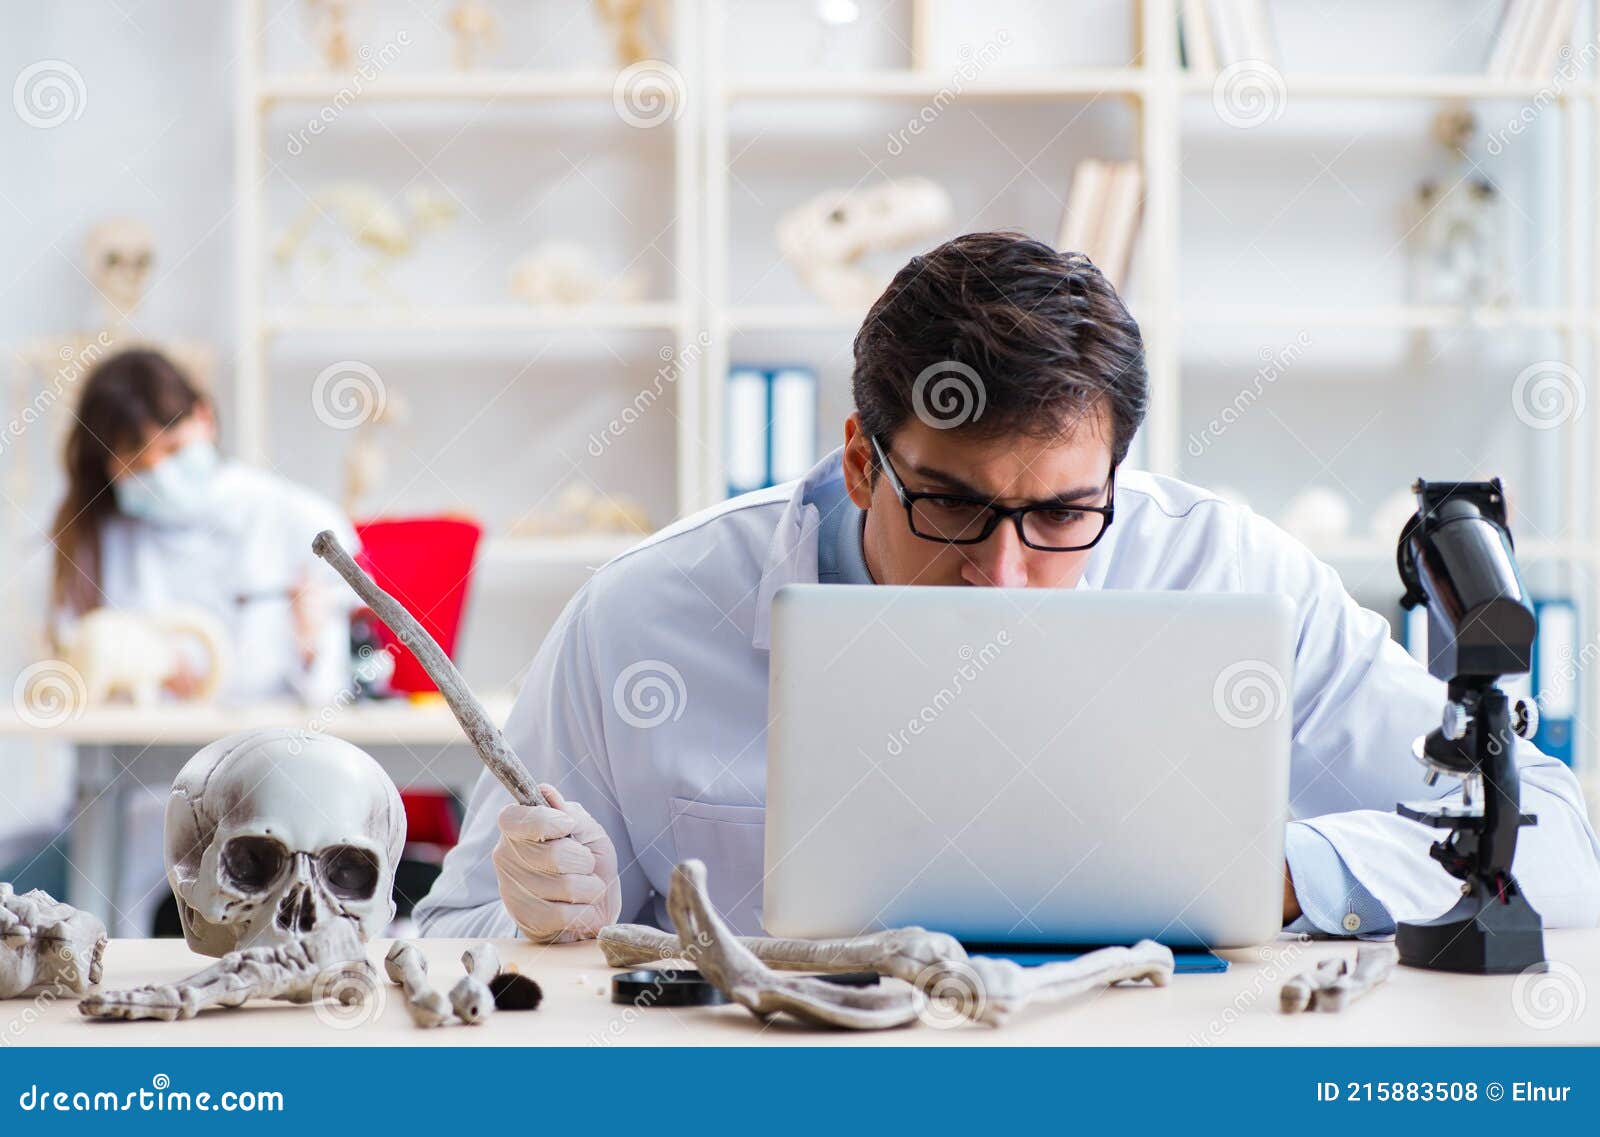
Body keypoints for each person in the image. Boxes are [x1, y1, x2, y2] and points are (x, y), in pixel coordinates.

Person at [415, 232, 1600, 943]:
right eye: (952, 505)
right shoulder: (641, 620)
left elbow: (1552, 835)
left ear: (1115, 479)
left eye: (1061, 515)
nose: (1001, 569)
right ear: (860, 458)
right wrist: (535, 926)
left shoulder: (1226, 576)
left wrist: (1280, 872)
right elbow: (450, 935)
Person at [49, 348, 356, 704]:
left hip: (274, 748)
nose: (161, 475)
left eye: (174, 449)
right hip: (146, 754)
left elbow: (334, 691)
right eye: (137, 467)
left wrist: (312, 646)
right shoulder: (92, 542)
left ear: (205, 416)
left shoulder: (299, 519)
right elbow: (73, 671)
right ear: (106, 467)